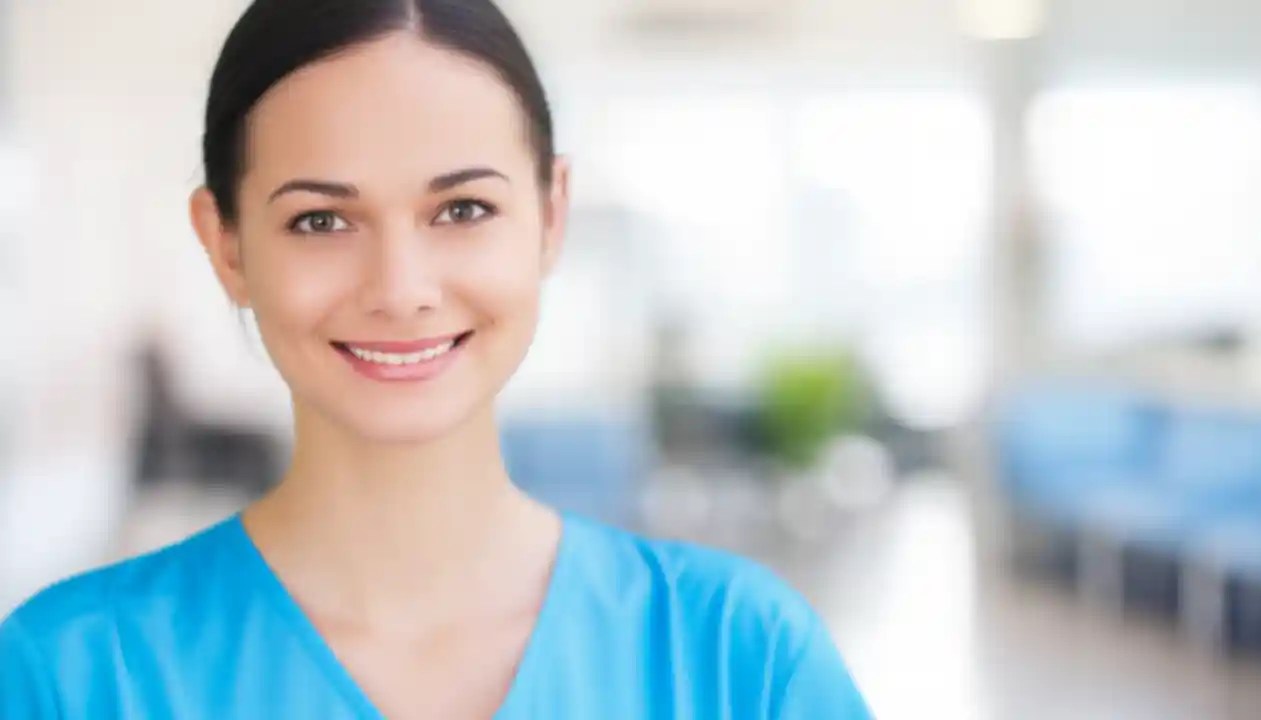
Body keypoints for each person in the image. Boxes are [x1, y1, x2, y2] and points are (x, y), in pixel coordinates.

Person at [0, 1, 874, 717]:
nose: (400, 287)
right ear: (225, 244)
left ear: (551, 215)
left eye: (461, 210)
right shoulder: (72, 675)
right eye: (320, 220)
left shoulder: (737, 659)